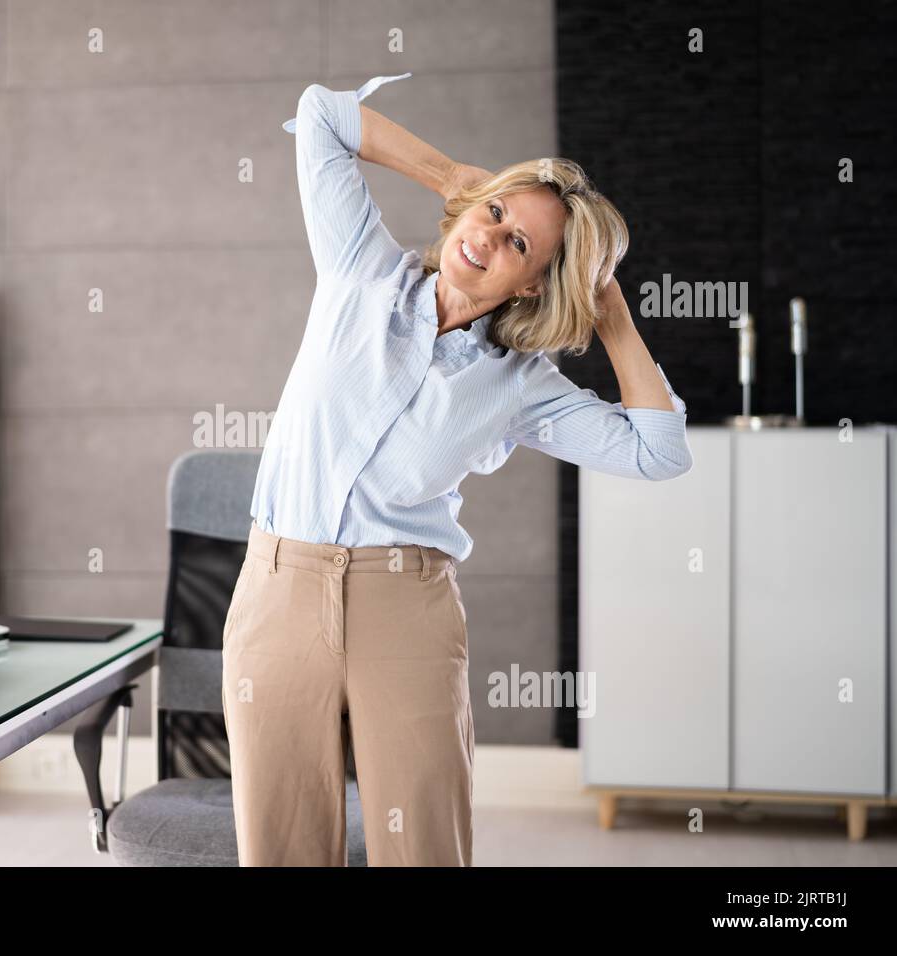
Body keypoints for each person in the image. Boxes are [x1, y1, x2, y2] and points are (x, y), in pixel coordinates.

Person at [221, 73, 692, 867]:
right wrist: (454, 178)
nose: (488, 236)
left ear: (536, 281)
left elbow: (660, 451)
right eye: (497, 213)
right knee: (281, 847)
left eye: (518, 243)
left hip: (404, 608)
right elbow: (321, 115)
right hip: (278, 591)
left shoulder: (521, 385)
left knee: (425, 847)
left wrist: (612, 319)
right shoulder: (359, 269)